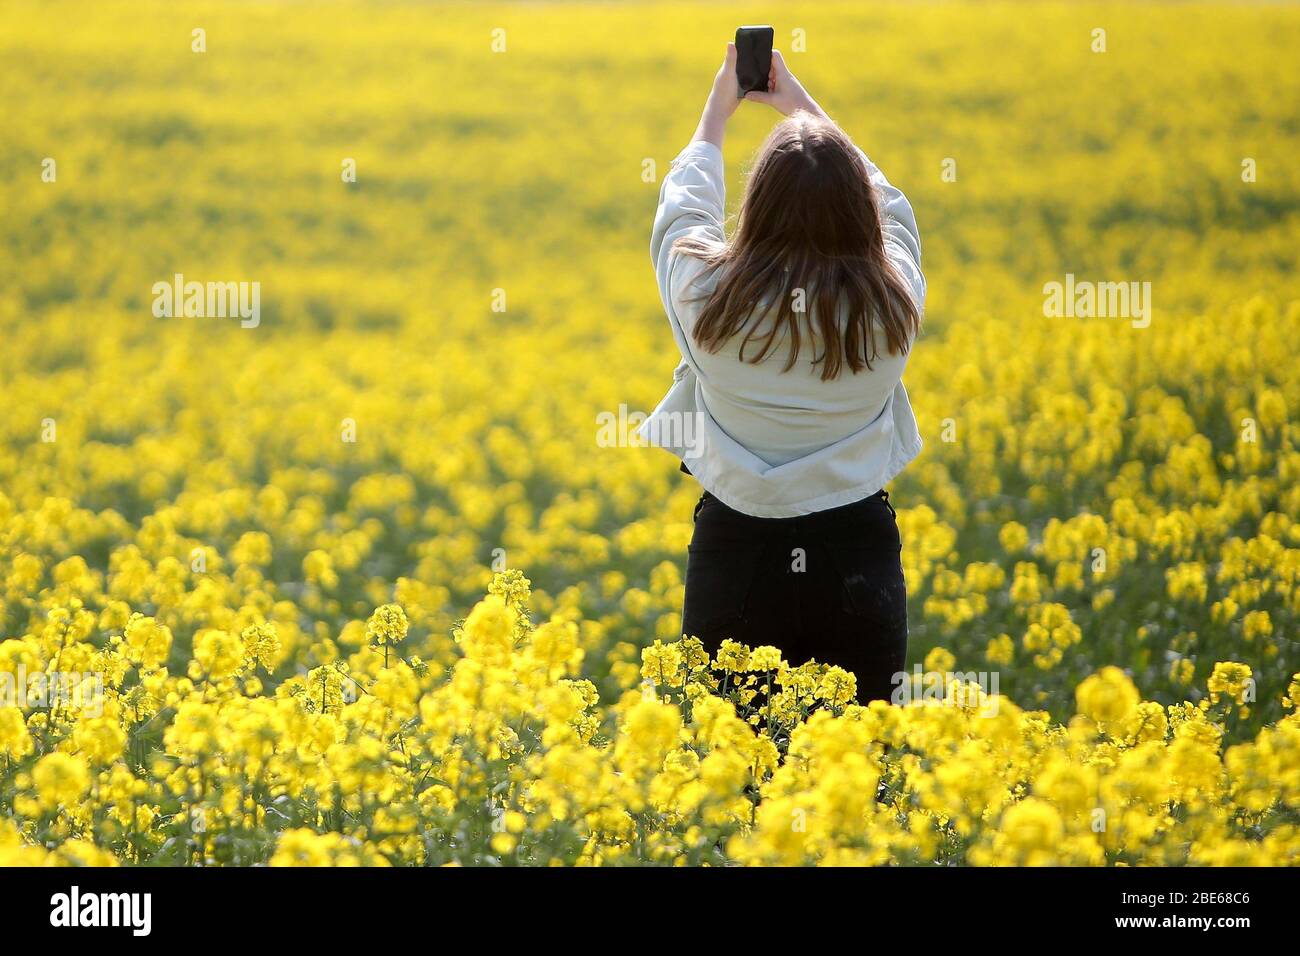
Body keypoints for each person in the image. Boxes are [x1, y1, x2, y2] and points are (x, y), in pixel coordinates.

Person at [641, 43, 925, 703]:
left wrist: (718, 112)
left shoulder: (707, 299)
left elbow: (682, 213)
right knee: (857, 783)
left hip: (735, 554)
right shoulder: (895, 304)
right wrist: (801, 108)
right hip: (856, 557)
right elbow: (893, 209)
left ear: (758, 205)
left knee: (734, 784)